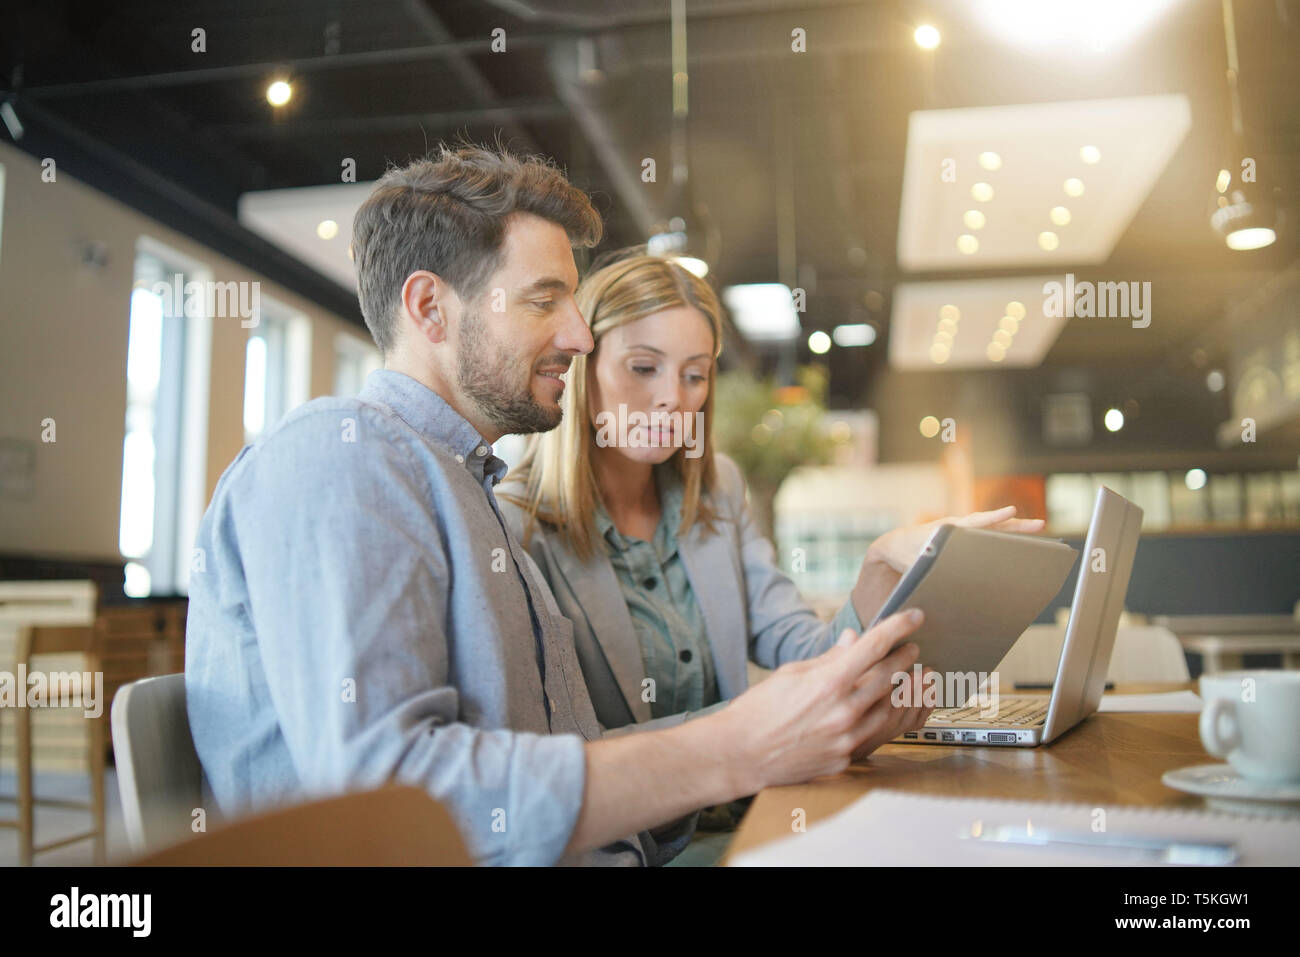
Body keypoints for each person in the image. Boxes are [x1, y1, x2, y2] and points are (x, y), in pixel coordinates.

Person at [184, 145, 934, 867]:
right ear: (430, 307)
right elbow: (386, 801)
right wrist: (735, 746)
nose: (579, 335)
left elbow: (572, 761)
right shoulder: (342, 453)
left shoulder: (466, 489)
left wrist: (805, 721)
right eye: (546, 299)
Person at [495, 253, 1043, 860]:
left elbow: (801, 647)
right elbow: (561, 756)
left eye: (694, 375)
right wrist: (758, 727)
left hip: (759, 815)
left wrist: (880, 565)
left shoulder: (718, 490)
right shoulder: (513, 524)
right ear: (582, 366)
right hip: (639, 849)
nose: (671, 400)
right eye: (643, 368)